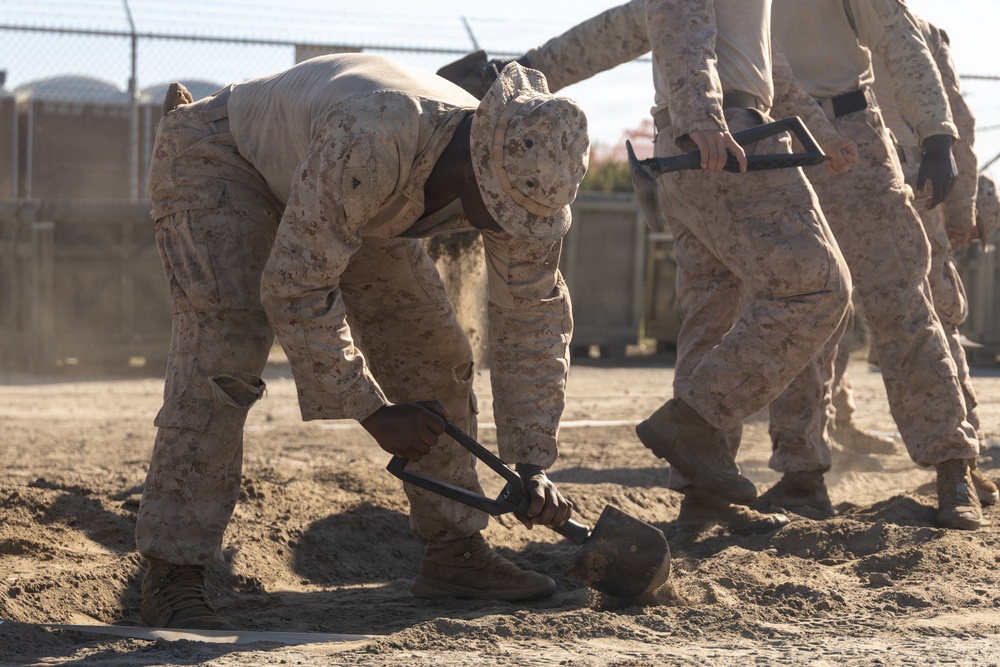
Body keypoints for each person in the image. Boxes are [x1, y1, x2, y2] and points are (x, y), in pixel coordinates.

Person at [137, 53, 589, 630]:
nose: (510, 229)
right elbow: (297, 287)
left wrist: (532, 460)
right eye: (503, 214)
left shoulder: (530, 177)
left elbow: (534, 319)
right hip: (224, 160)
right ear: (475, 169)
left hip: (353, 196)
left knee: (434, 353)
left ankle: (456, 551)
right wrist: (372, 412)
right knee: (222, 358)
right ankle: (173, 570)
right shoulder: (372, 141)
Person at [443, 0, 856, 534]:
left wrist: (818, 126)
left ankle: (705, 496)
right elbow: (675, 9)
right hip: (724, 137)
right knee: (818, 286)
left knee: (715, 314)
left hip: (698, 141)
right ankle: (696, 419)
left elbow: (758, 60)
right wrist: (700, 114)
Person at [756, 0, 983, 530]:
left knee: (899, 300)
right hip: (773, 139)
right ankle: (801, 475)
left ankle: (953, 466)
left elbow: (898, 37)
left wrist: (936, 134)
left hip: (852, 132)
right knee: (798, 308)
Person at [868, 15, 999, 505]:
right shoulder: (912, 26)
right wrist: (960, 207)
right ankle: (960, 462)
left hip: (820, 169)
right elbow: (957, 122)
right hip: (912, 174)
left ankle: (805, 474)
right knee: (936, 312)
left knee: (822, 315)